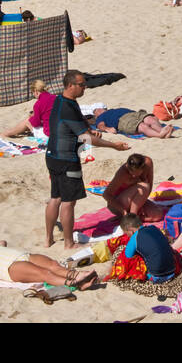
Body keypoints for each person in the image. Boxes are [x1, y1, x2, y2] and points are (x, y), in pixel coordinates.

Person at [45, 70, 129, 250]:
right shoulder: (68, 106)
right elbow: (85, 139)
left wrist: (90, 129)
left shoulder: (62, 100)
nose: (85, 88)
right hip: (66, 158)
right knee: (68, 201)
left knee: (55, 197)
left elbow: (80, 121)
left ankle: (48, 239)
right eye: (82, 85)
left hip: (52, 155)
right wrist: (113, 146)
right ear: (70, 86)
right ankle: (68, 243)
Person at [0, 235, 97, 289]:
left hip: (22, 256)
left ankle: (79, 277)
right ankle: (73, 282)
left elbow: (3, 242)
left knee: (53, 264)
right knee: (44, 273)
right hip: (9, 267)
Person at [104, 153, 158, 218]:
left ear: (142, 169)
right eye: (130, 173)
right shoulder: (123, 173)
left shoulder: (148, 164)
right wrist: (123, 211)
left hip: (136, 199)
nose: (133, 176)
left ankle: (132, 216)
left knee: (157, 214)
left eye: (136, 173)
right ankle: (132, 218)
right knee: (144, 187)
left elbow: (150, 185)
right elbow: (106, 194)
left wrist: (141, 204)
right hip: (118, 204)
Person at [92, 106, 175, 139]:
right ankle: (159, 135)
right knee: (141, 126)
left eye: (98, 108)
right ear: (95, 116)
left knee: (150, 119)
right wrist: (108, 129)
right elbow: (100, 126)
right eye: (96, 111)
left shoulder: (112, 109)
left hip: (134, 113)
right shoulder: (100, 118)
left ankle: (162, 130)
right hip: (122, 120)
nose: (98, 109)